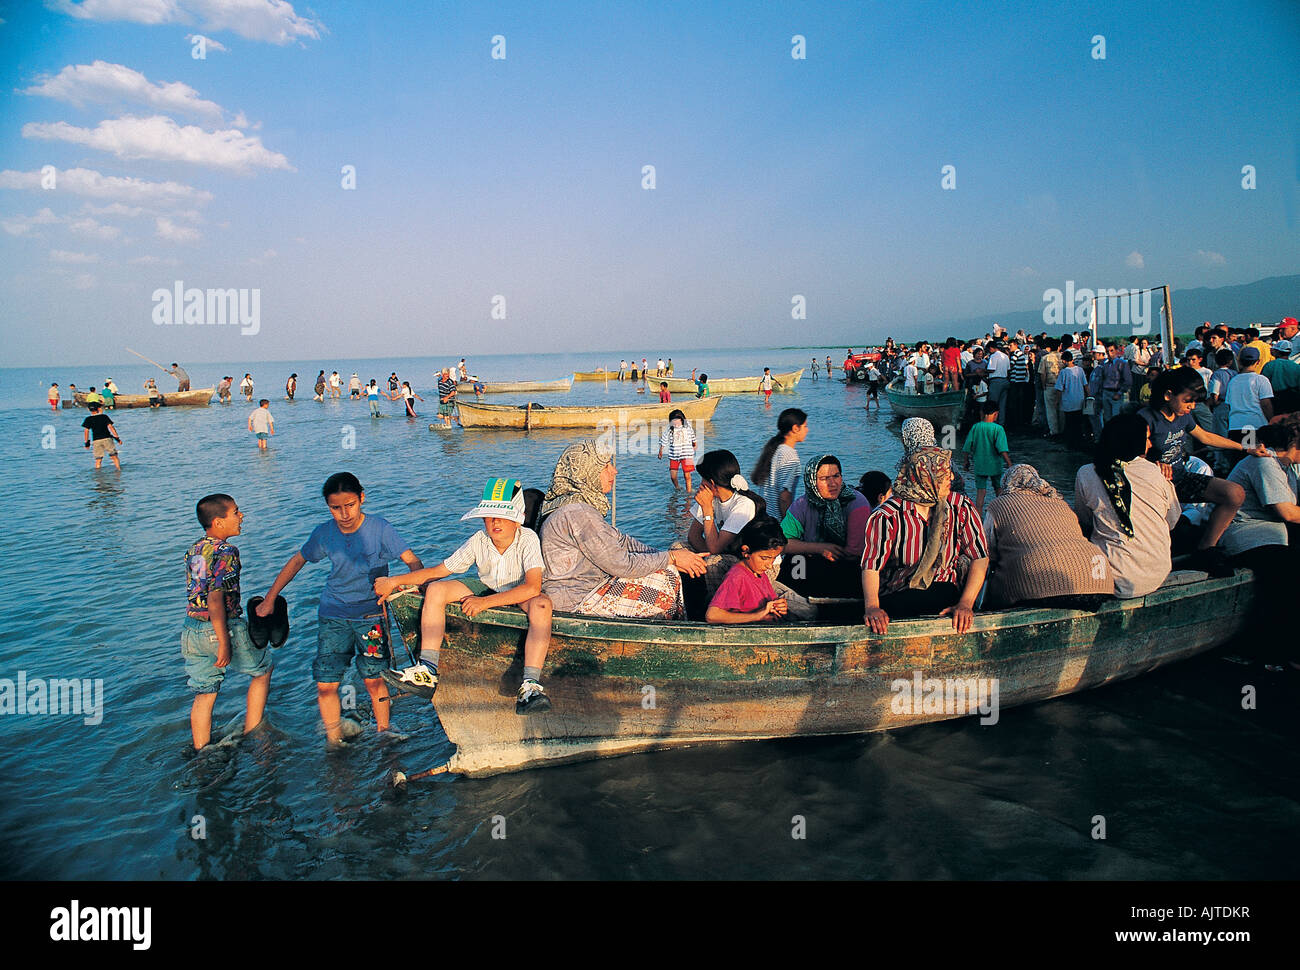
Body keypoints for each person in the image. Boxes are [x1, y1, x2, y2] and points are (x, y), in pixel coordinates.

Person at [256, 472, 425, 745]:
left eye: (350, 504)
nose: (344, 513)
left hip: (371, 615)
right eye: (336, 507)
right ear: (328, 506)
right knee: (326, 684)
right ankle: (334, 740)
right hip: (333, 614)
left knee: (374, 680)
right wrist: (270, 597)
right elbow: (297, 561)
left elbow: (413, 562)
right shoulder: (324, 533)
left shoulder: (380, 528)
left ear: (362, 499)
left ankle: (384, 733)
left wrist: (409, 588)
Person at [374, 478, 554, 714]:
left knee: (542, 605)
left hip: (517, 591)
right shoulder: (479, 541)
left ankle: (530, 685)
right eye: (489, 517)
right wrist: (394, 581)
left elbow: (532, 588)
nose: (495, 522)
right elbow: (438, 572)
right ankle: (427, 669)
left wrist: (484, 603)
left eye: (501, 516)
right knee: (436, 589)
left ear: (517, 518)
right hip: (486, 585)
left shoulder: (528, 539)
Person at [539, 441, 706, 617]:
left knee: (669, 568)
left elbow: (622, 541)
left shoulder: (576, 506)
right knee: (668, 579)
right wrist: (671, 558)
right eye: (605, 466)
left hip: (592, 585)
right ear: (586, 471)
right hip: (576, 598)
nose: (614, 471)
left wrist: (670, 556)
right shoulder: (579, 514)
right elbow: (622, 564)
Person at [1140, 367, 1263, 574]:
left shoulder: (1183, 416)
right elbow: (1134, 454)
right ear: (1168, 395)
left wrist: (1245, 448)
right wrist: (1151, 466)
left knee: (1233, 494)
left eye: (1195, 401)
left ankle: (1206, 549)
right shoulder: (1146, 418)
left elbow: (1206, 437)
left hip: (1179, 478)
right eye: (1188, 400)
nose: (1192, 406)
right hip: (1155, 485)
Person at [861, 448, 989, 633]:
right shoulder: (886, 516)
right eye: (944, 474)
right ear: (926, 477)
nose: (951, 478)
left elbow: (980, 557)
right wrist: (872, 607)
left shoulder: (960, 507)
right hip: (898, 591)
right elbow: (871, 566)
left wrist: (966, 603)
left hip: (944, 591)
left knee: (940, 593)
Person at [182, 494, 272, 752]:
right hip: (221, 626)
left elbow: (200, 592)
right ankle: (253, 730)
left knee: (205, 692)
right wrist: (223, 642)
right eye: (236, 512)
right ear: (219, 523)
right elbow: (215, 598)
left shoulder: (195, 549)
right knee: (262, 670)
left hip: (191, 628)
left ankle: (202, 749)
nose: (241, 516)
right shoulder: (227, 551)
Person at [1074, 413, 1180, 598]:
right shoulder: (1155, 471)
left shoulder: (1086, 473)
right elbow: (1172, 521)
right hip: (1157, 573)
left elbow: (1084, 521)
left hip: (1114, 579)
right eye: (1146, 439)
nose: (1150, 445)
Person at [982, 464, 1114, 607]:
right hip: (1101, 580)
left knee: (995, 583)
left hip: (1041, 586)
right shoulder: (1061, 503)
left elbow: (986, 551)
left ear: (1007, 483)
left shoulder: (998, 504)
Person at [779, 454, 872, 598]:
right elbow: (781, 543)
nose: (832, 484)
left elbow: (855, 552)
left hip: (851, 565)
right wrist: (819, 549)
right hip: (815, 561)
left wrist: (828, 553)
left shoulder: (856, 503)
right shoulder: (802, 504)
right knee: (794, 561)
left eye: (836, 476)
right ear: (811, 481)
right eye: (823, 479)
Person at [706, 519, 790, 624]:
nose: (769, 565)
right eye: (764, 558)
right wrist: (758, 616)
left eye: (774, 558)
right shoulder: (737, 577)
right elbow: (712, 615)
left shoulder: (760, 574)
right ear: (746, 551)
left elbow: (770, 604)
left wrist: (778, 606)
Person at [687, 451, 764, 556]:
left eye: (703, 479)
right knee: (678, 548)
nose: (700, 484)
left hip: (749, 560)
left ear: (712, 483)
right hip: (727, 553)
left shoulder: (744, 504)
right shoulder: (711, 499)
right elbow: (693, 537)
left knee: (712, 561)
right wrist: (708, 554)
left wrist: (707, 509)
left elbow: (715, 548)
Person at [751, 407, 808, 520]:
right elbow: (784, 496)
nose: (807, 430)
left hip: (764, 518)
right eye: (805, 426)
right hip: (776, 522)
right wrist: (788, 525)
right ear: (795, 428)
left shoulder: (776, 449)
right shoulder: (790, 455)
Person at [962, 402, 1012, 514]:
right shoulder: (998, 429)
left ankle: (978, 519)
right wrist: (1009, 463)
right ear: (996, 414)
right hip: (995, 465)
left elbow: (967, 447)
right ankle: (1000, 515)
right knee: (998, 489)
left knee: (981, 492)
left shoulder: (976, 427)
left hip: (980, 465)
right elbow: (1002, 448)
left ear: (982, 413)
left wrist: (966, 462)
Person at [1225, 347, 1274, 457]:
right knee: (1256, 461)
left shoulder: (1233, 381)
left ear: (1239, 361)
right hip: (1255, 425)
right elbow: (1265, 404)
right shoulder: (1261, 380)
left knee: (1239, 462)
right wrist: (1271, 422)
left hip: (1235, 426)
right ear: (1258, 362)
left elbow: (1229, 405)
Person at [1054, 351, 1088, 449]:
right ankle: (1079, 442)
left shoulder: (1063, 372)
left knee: (1069, 423)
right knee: (1078, 423)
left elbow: (1059, 389)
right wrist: (1089, 396)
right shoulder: (1080, 370)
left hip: (1068, 401)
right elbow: (1085, 385)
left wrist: (1057, 401)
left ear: (1064, 360)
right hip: (1080, 400)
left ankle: (1071, 443)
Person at [658, 408, 697, 489]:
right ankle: (678, 488)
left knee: (687, 476)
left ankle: (688, 495)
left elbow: (692, 435)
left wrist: (695, 444)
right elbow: (664, 439)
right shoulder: (670, 429)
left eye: (677, 420)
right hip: (674, 455)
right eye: (673, 420)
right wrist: (661, 450)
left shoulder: (687, 427)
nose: (675, 422)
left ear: (681, 419)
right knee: (673, 476)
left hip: (687, 455)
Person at [1261, 340, 1300, 414]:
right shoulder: (1296, 367)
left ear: (1277, 352)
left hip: (1275, 402)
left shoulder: (1269, 366)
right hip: (1293, 402)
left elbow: (1263, 386)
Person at [81, 402, 122, 470]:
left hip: (96, 441)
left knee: (98, 459)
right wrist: (117, 438)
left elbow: (86, 431)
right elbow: (111, 427)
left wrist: (87, 442)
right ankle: (118, 470)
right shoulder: (104, 417)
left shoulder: (88, 419)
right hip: (107, 439)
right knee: (114, 456)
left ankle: (98, 476)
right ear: (99, 409)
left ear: (89, 409)